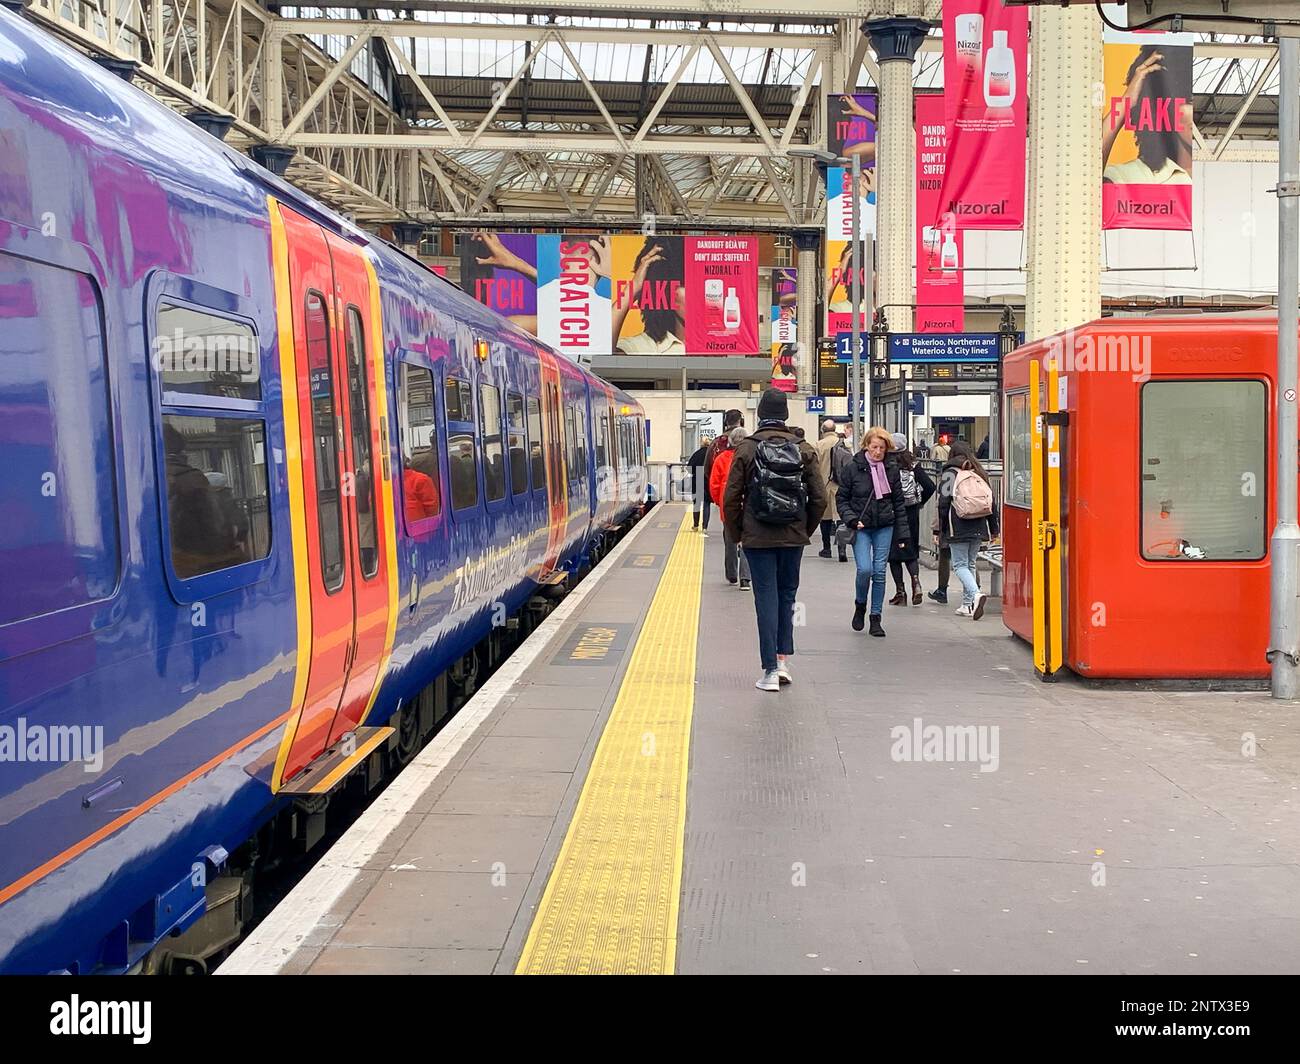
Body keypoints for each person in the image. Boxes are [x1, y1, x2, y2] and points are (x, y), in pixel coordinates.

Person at [723, 388, 827, 692]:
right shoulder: (804, 448)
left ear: (760, 413)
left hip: (757, 537)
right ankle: (783, 662)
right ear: (785, 415)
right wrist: (804, 530)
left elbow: (731, 497)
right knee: (787, 596)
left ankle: (768, 670)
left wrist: (739, 532)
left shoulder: (746, 448)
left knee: (765, 597)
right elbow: (819, 498)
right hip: (792, 536)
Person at [836, 426, 910, 638]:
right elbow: (841, 498)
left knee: (879, 572)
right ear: (866, 445)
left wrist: (903, 534)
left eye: (882, 448)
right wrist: (851, 519)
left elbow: (898, 503)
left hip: (884, 525)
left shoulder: (891, 469)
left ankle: (875, 617)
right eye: (874, 447)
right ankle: (860, 605)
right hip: (861, 526)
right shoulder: (853, 468)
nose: (878, 452)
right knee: (865, 570)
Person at [937, 439, 999, 620]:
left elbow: (943, 502)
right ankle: (967, 604)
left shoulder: (950, 473)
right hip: (979, 525)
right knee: (970, 564)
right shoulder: (979, 472)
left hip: (958, 525)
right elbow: (991, 503)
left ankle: (975, 594)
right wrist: (994, 528)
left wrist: (941, 529)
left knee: (959, 565)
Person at [886, 434, 936, 607]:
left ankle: (900, 592)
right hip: (911, 512)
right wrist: (919, 502)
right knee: (911, 549)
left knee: (893, 554)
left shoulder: (887, 464)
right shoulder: (913, 464)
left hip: (892, 511)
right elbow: (930, 486)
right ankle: (916, 583)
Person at [709, 426, 751, 590]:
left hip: (727, 506)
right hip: (747, 505)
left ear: (731, 441)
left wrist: (719, 501)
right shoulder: (750, 456)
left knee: (730, 540)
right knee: (746, 541)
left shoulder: (721, 459)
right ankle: (746, 578)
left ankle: (731, 573)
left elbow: (714, 484)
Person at [814, 419, 849, 562]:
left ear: (822, 430)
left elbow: (814, 467)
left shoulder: (818, 445)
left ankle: (826, 548)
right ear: (835, 429)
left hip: (824, 485)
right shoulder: (845, 444)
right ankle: (842, 548)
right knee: (841, 517)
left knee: (825, 518)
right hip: (841, 485)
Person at [704, 408, 744, 488]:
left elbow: (707, 471)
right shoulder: (747, 442)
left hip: (721, 491)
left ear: (725, 423)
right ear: (741, 422)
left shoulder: (716, 443)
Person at [687, 435, 712, 533]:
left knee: (697, 504)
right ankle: (705, 527)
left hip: (697, 479)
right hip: (708, 480)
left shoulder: (696, 454)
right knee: (707, 504)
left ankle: (695, 526)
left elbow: (689, 468)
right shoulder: (711, 455)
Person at [403, 457, 439, 524]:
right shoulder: (421, 479)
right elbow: (432, 507)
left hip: (418, 527)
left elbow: (431, 507)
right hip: (419, 527)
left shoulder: (421, 479)